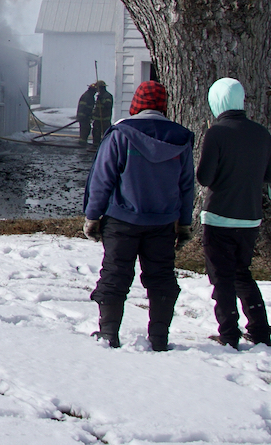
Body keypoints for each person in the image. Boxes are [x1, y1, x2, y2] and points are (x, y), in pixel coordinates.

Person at [83, 80, 194, 351]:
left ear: (136, 104)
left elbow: (103, 178)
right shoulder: (180, 138)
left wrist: (93, 216)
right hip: (163, 222)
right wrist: (184, 223)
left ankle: (109, 333)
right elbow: (186, 185)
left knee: (115, 274)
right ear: (163, 105)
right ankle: (159, 338)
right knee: (161, 278)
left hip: (122, 220)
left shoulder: (121, 134)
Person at [196, 77, 271, 348]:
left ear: (216, 101)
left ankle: (229, 334)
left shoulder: (216, 132)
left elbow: (204, 177)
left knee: (222, 278)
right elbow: (268, 175)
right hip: (250, 217)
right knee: (242, 273)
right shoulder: (262, 133)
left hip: (219, 215)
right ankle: (260, 330)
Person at [92, 80, 115, 145]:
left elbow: (108, 105)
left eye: (97, 88)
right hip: (97, 119)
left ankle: (106, 145)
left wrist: (102, 99)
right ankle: (96, 145)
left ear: (101, 87)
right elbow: (97, 107)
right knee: (96, 133)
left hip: (105, 120)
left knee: (106, 134)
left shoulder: (107, 95)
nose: (97, 89)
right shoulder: (99, 95)